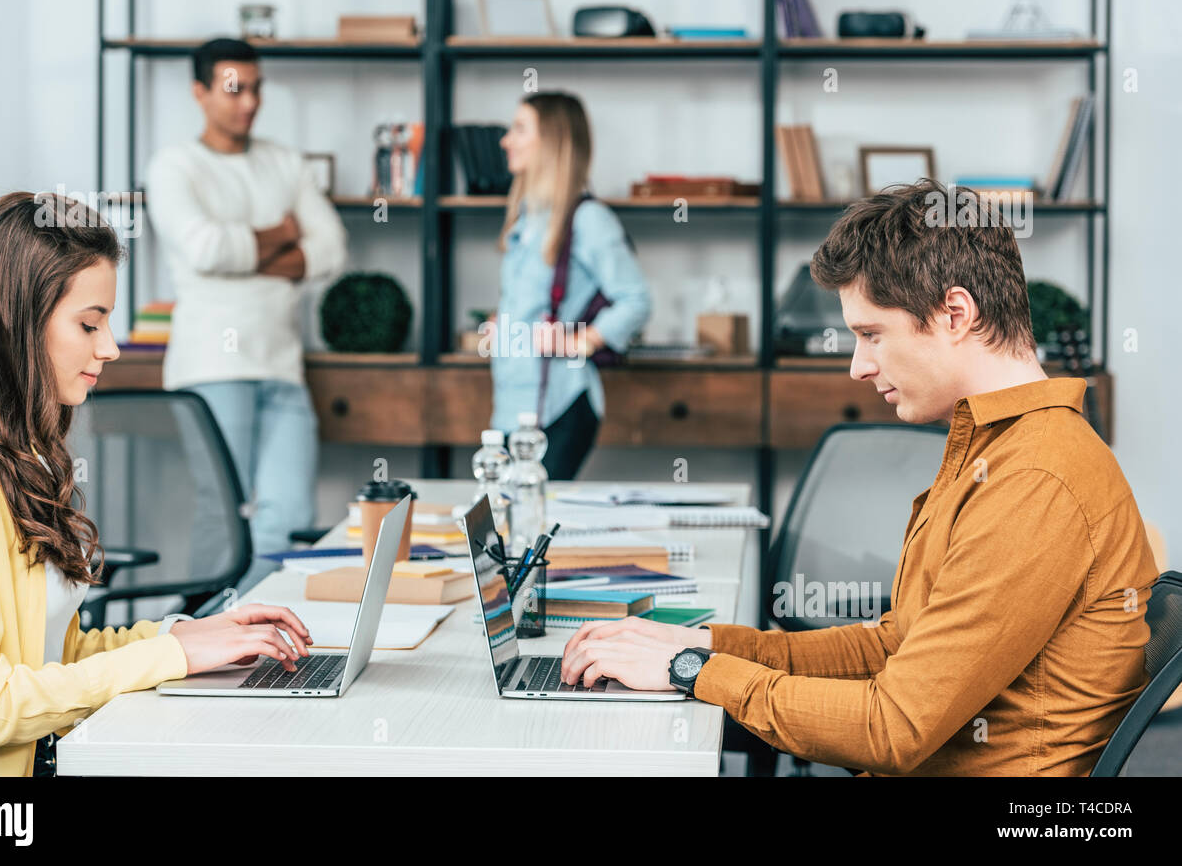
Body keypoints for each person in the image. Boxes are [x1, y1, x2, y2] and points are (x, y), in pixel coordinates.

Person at [560, 179, 1160, 776]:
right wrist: (705, 649)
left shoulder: (1037, 477)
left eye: (871, 334)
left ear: (955, 314)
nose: (858, 366)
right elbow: (892, 647)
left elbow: (891, 727)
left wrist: (690, 674)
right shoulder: (998, 446)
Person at [0, 192, 314, 776]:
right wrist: (172, 656)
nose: (109, 348)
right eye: (89, 323)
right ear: (16, 322)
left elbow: (56, 658)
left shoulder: (18, 454)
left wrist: (187, 635)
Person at [146, 38, 347, 586]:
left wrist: (251, 252)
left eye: (256, 89)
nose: (250, 102)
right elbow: (206, 248)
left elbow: (331, 247)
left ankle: (260, 632)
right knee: (225, 514)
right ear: (200, 93)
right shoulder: (174, 167)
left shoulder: (284, 161)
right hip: (213, 365)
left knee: (290, 516)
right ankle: (207, 637)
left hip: (282, 366)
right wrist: (285, 234)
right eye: (236, 89)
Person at [488, 91, 651, 479]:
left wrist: (580, 340)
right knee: (510, 524)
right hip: (512, 405)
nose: (505, 140)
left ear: (552, 141)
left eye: (519, 129)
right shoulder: (528, 221)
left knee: (535, 520)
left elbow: (636, 299)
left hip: (558, 406)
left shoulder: (587, 219)